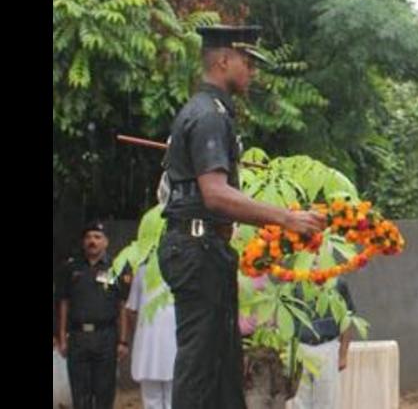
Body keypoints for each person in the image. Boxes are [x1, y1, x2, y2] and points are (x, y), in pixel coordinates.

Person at [159, 24, 326, 409]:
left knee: (222, 367)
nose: (253, 70)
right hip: (197, 248)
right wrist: (285, 218)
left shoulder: (211, 112)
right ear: (223, 60)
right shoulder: (208, 114)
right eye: (247, 61)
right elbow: (216, 194)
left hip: (205, 248)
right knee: (202, 367)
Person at [57, 221, 133, 409]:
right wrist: (62, 338)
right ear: (83, 242)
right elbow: (64, 303)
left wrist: (123, 341)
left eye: (98, 237)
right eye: (89, 237)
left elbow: (122, 305)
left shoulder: (116, 267)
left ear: (106, 242)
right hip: (78, 338)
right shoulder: (71, 268)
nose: (92, 241)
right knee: (80, 394)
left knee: (104, 393)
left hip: (106, 337)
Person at [288, 280, 356, 409]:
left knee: (327, 401)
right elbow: (286, 318)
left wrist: (343, 354)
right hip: (300, 348)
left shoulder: (338, 284)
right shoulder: (295, 285)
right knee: (299, 400)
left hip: (327, 347)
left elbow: (347, 319)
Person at [124, 257, 177, 409]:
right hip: (148, 347)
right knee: (152, 401)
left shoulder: (184, 270)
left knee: (173, 400)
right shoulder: (142, 271)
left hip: (174, 345)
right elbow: (132, 309)